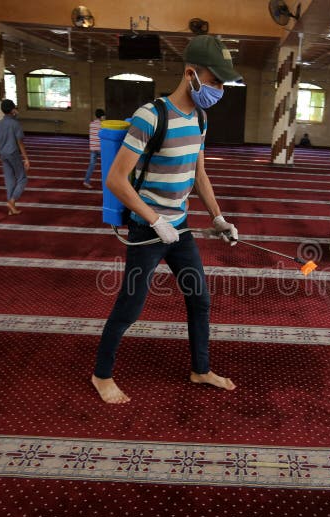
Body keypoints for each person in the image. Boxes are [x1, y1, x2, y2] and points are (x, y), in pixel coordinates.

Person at [91, 35, 241, 404]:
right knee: (131, 306)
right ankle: (101, 375)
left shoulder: (201, 118)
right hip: (147, 230)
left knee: (199, 300)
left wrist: (219, 218)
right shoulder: (151, 115)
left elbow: (199, 173)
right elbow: (116, 179)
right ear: (191, 73)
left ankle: (200, 369)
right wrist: (155, 221)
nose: (219, 89)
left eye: (222, 83)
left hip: (181, 229)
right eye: (215, 80)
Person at [0, 99, 29, 215]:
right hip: (13, 153)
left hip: (3, 154)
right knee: (22, 178)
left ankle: (11, 209)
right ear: (13, 109)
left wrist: (0, 149)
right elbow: (20, 142)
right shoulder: (15, 124)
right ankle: (12, 201)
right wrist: (26, 158)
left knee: (9, 181)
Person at [83, 108, 105, 189]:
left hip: (92, 148)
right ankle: (107, 182)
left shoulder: (91, 124)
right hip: (100, 148)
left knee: (91, 166)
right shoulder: (102, 125)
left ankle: (86, 181)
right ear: (102, 116)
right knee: (105, 165)